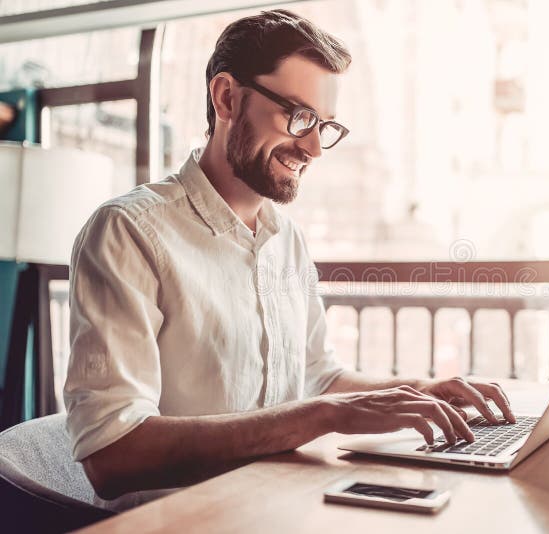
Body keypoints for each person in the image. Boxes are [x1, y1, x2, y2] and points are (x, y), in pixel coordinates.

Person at [64, 9, 515, 509]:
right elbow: (113, 457)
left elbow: (319, 377)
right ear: (227, 98)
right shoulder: (129, 232)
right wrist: (323, 415)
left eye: (324, 126)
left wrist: (421, 390)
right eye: (299, 117)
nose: (314, 148)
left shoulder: (286, 239)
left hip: (282, 505)